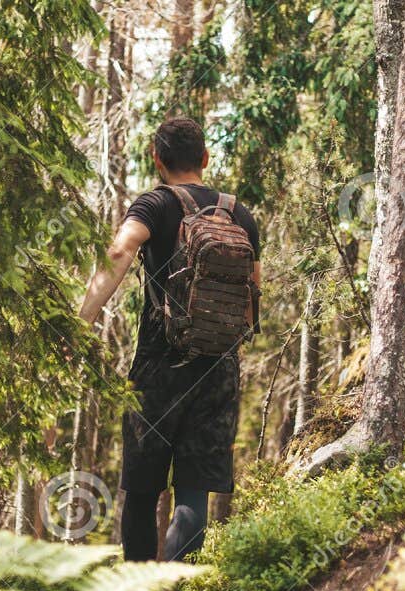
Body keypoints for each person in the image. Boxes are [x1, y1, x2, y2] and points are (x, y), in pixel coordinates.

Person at [77, 116, 261, 565]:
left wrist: (80, 321)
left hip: (159, 366)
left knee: (142, 488)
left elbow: (121, 251)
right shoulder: (239, 214)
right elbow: (254, 292)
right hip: (218, 367)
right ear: (205, 157)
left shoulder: (155, 204)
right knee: (193, 491)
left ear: (157, 159)